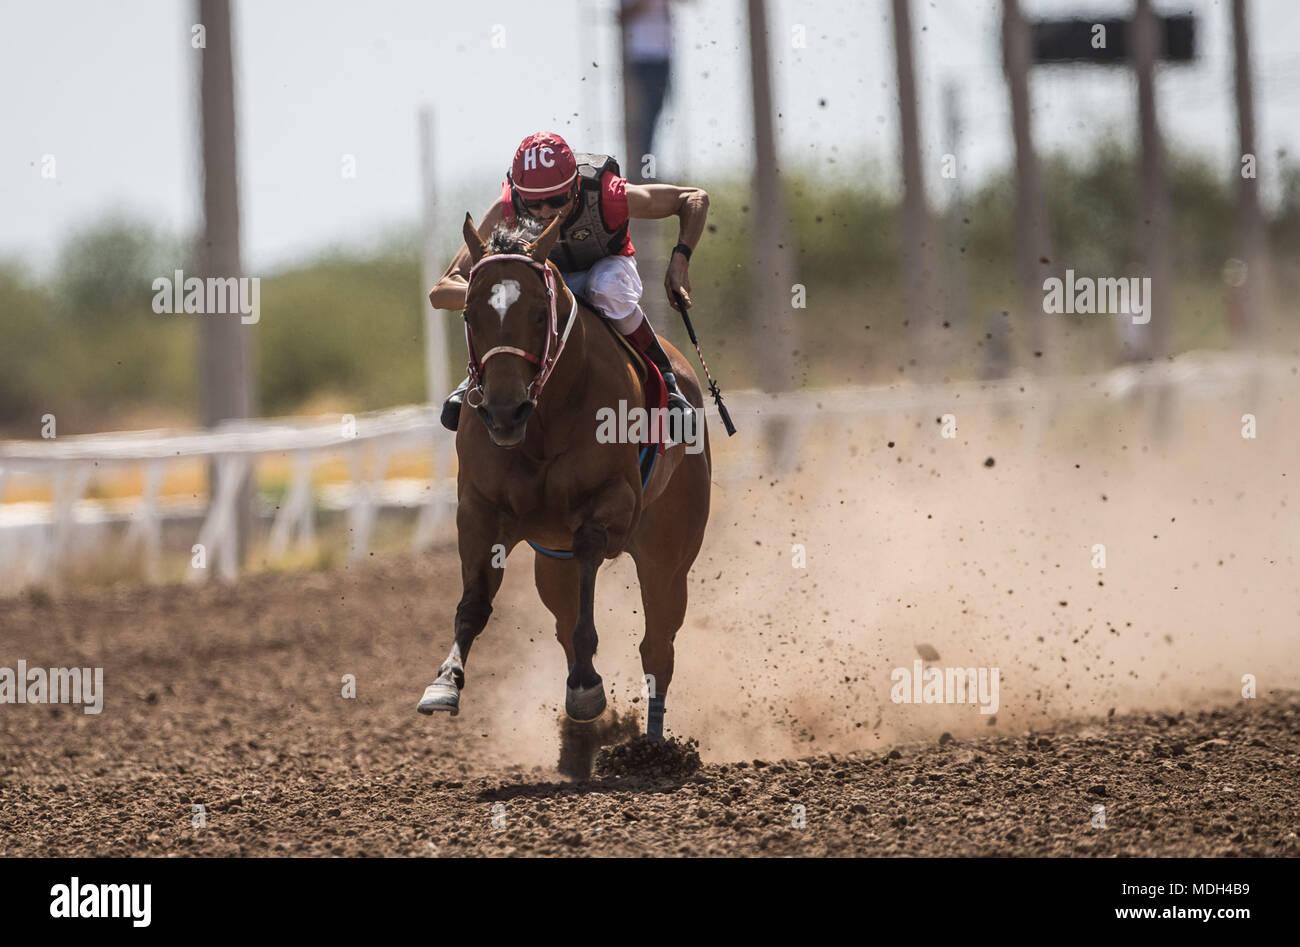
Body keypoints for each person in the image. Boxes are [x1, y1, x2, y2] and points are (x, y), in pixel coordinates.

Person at [430, 131, 708, 434]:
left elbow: (693, 198)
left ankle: (668, 383)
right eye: (533, 204)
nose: (545, 212)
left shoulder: (609, 196)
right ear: (518, 194)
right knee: (503, 306)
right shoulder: (506, 208)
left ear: (575, 186)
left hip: (606, 266)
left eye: (556, 200)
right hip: (543, 281)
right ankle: (470, 382)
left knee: (606, 289)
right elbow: (442, 290)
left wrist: (680, 262)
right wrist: (503, 296)